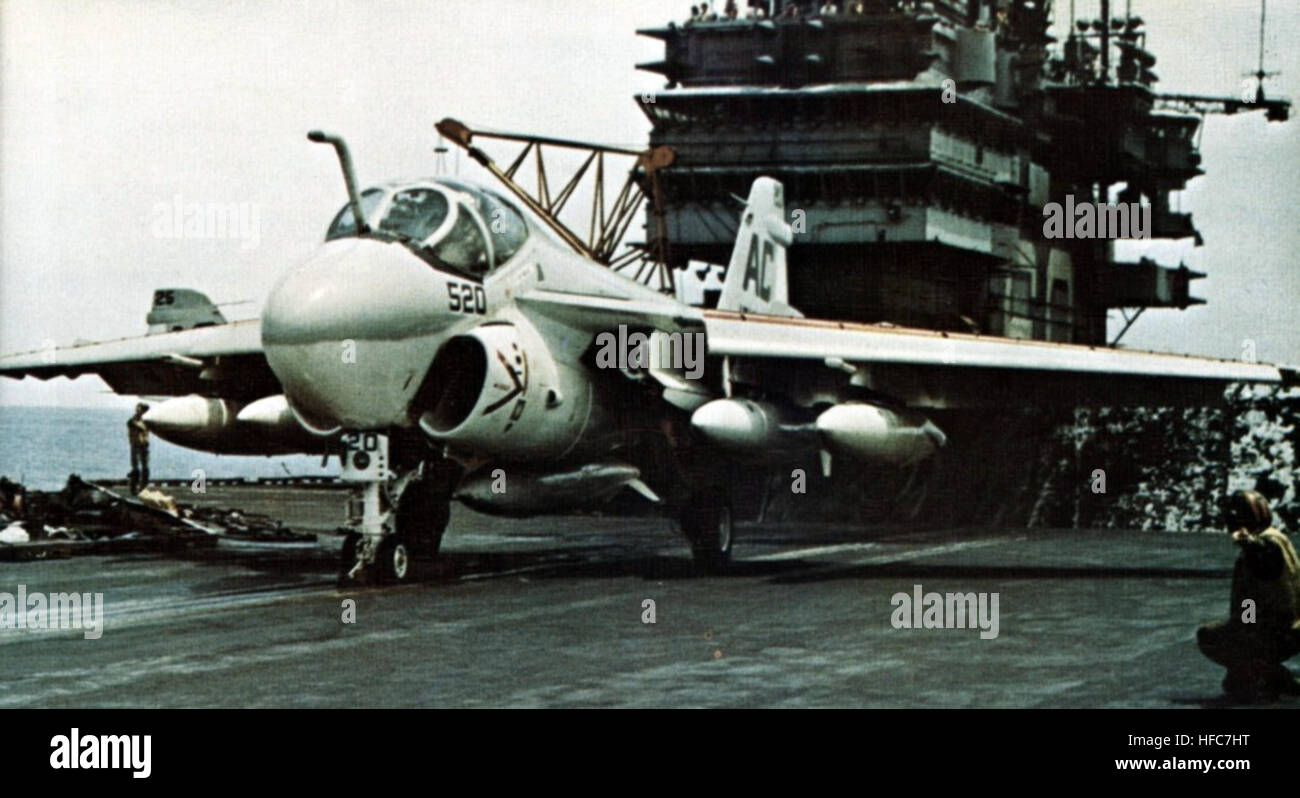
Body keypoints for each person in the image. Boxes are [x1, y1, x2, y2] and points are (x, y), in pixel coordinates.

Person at [1197, 490, 1300, 702]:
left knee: (1210, 637)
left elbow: (1250, 597)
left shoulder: (1261, 548)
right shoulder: (1278, 537)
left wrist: (1245, 627)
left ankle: (1265, 674)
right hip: (1292, 624)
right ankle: (1268, 672)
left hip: (1277, 632)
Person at [127, 403, 151, 494]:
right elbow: (139, 427)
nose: (137, 411)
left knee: (145, 467)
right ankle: (134, 488)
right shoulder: (132, 421)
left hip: (144, 445)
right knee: (135, 467)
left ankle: (143, 487)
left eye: (139, 409)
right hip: (135, 445)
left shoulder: (145, 420)